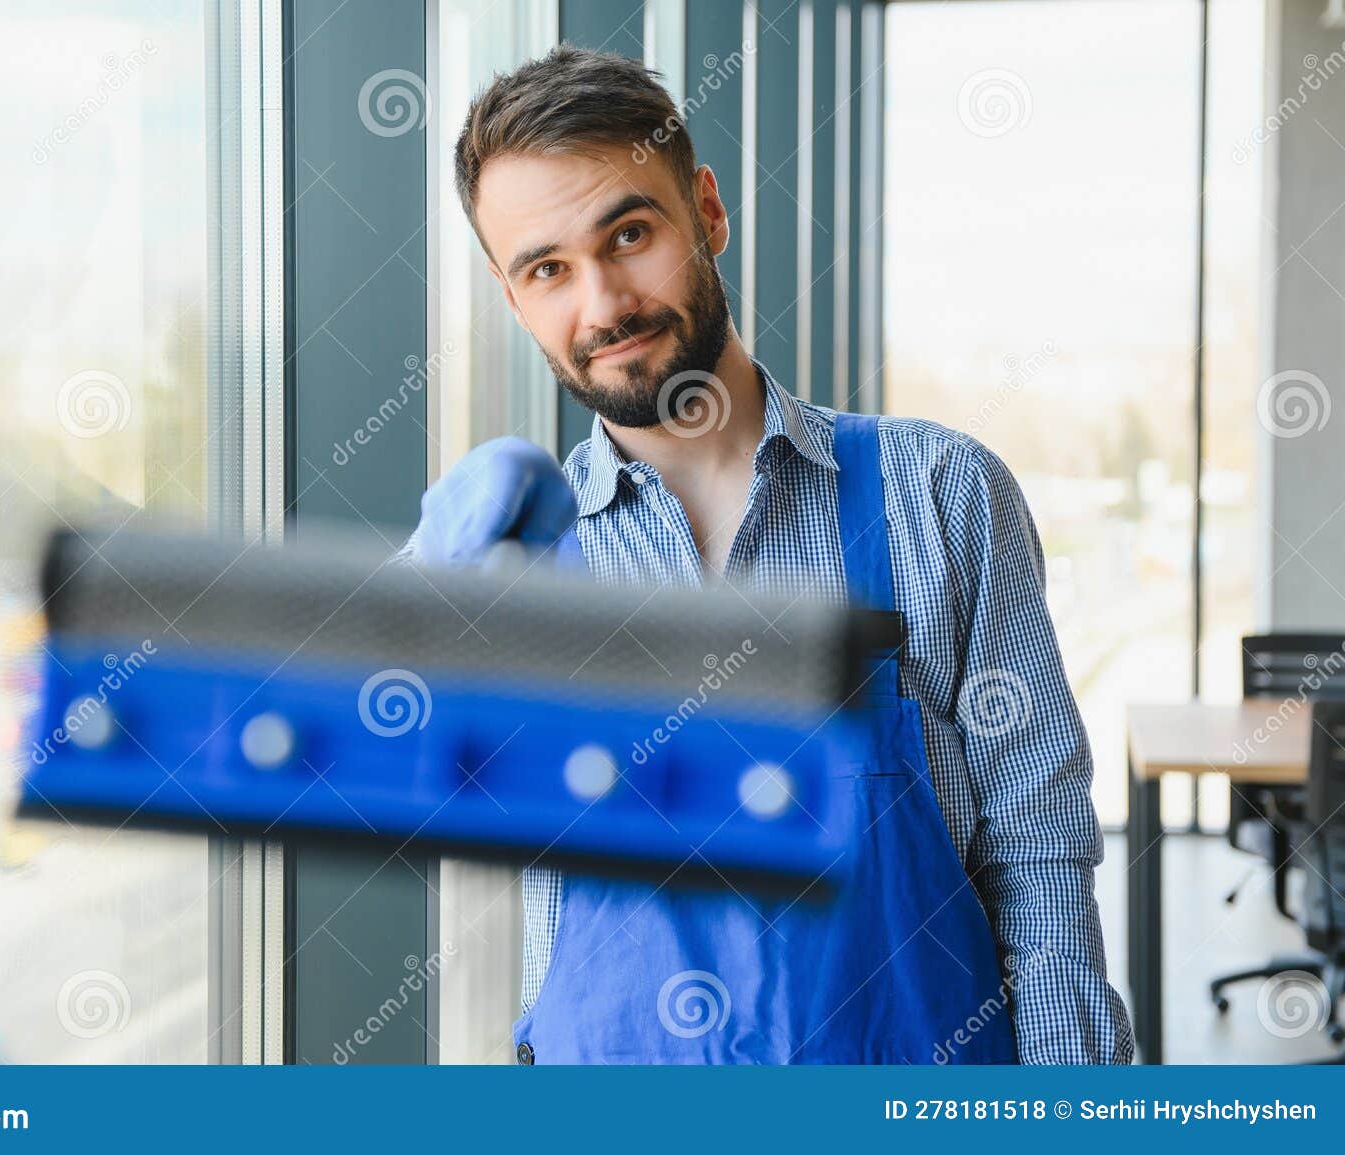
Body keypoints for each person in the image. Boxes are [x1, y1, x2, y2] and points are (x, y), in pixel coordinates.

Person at [396, 44, 1133, 1064]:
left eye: (630, 233)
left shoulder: (940, 496)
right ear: (510, 295)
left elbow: (1038, 855)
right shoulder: (512, 560)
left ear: (705, 212)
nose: (603, 303)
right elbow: (346, 780)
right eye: (547, 269)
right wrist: (400, 626)